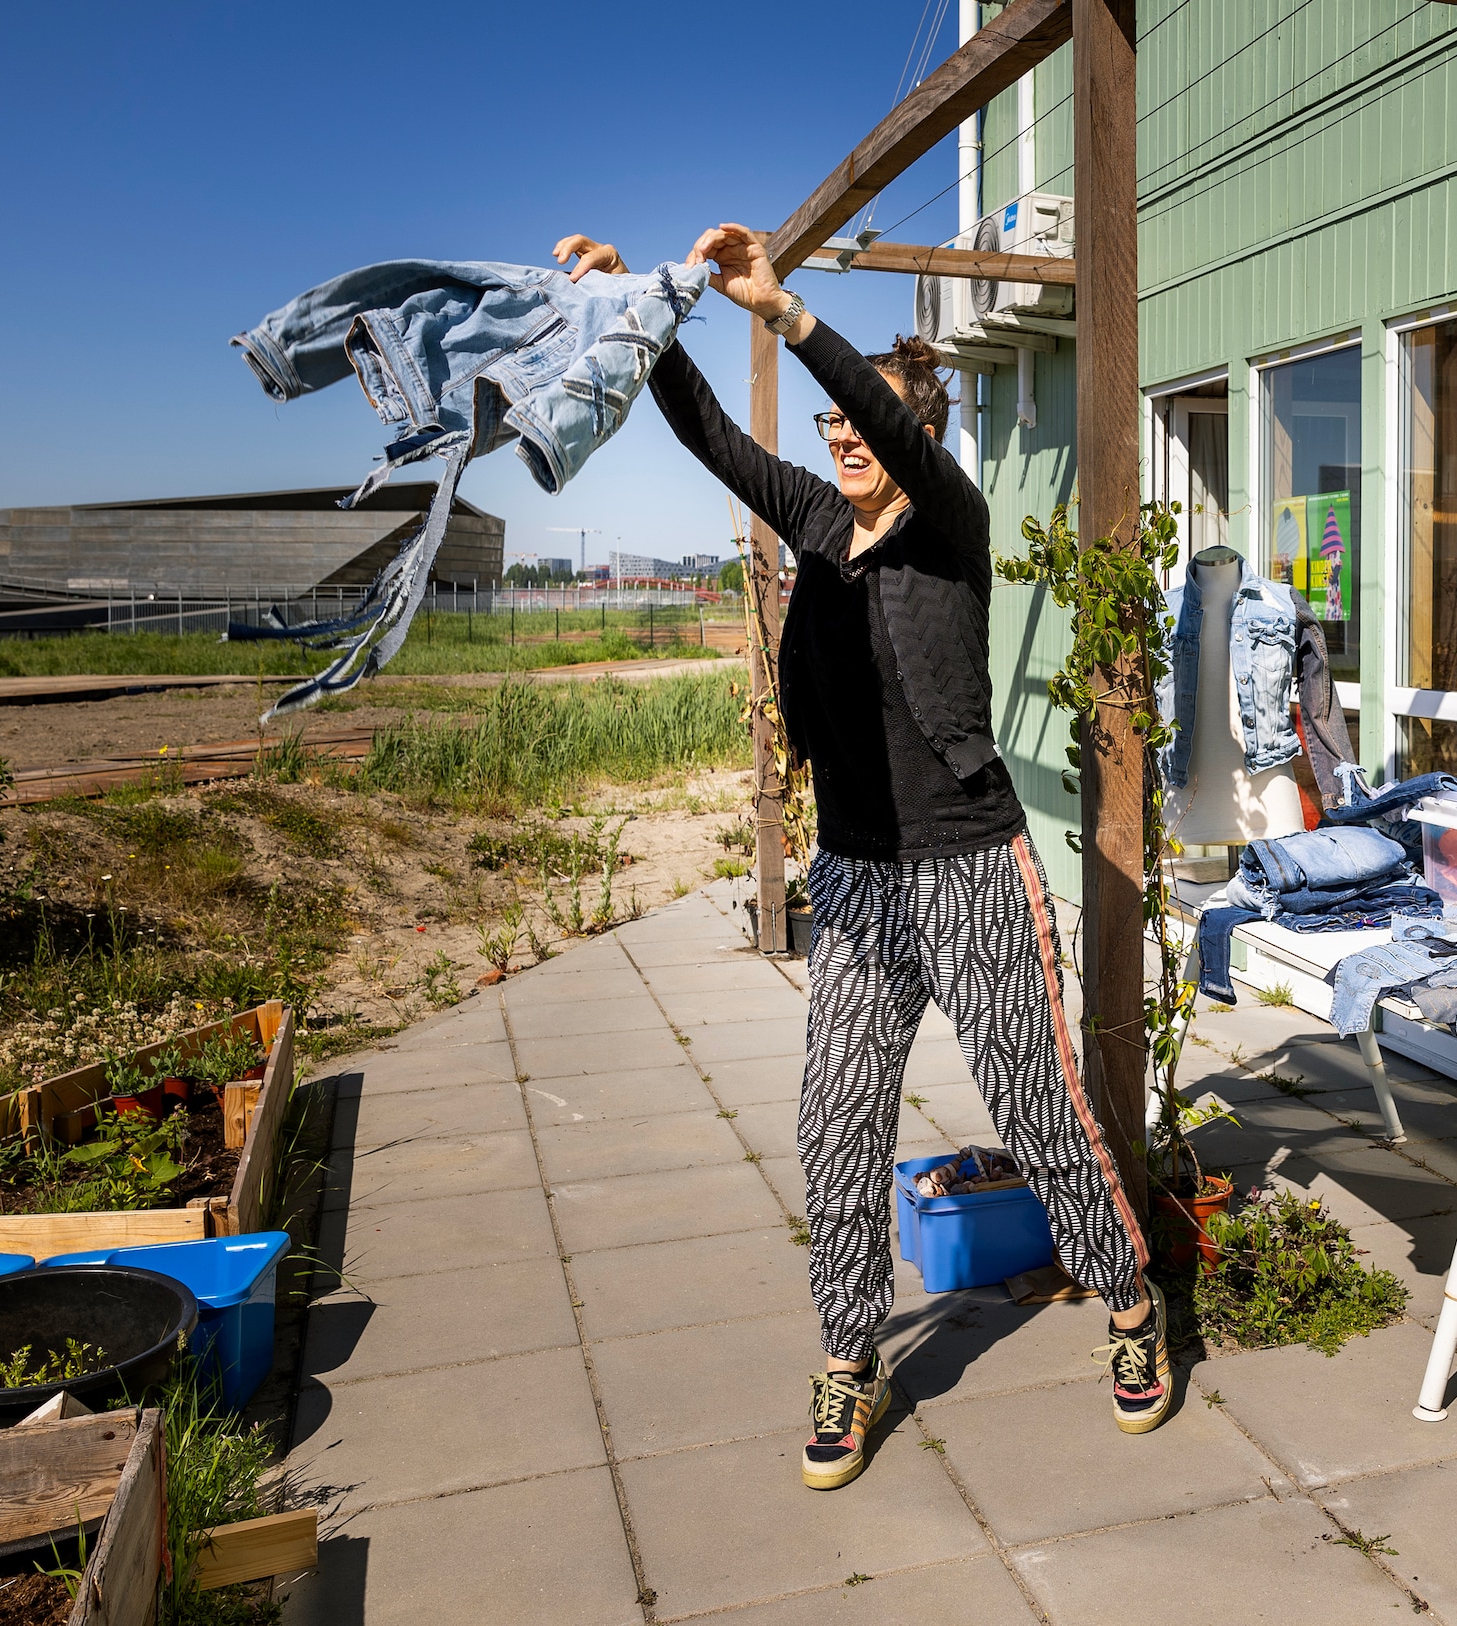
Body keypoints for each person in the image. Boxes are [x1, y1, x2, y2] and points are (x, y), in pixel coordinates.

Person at [552, 226, 1171, 1492]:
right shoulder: (814, 522)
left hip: (970, 870)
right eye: (832, 430)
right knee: (833, 1121)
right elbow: (709, 435)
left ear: (908, 436)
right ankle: (849, 1353)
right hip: (856, 879)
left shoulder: (950, 522)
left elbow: (874, 415)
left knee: (1037, 1108)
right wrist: (638, 310)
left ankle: (1126, 1303)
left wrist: (780, 307)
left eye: (861, 426)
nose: (840, 442)